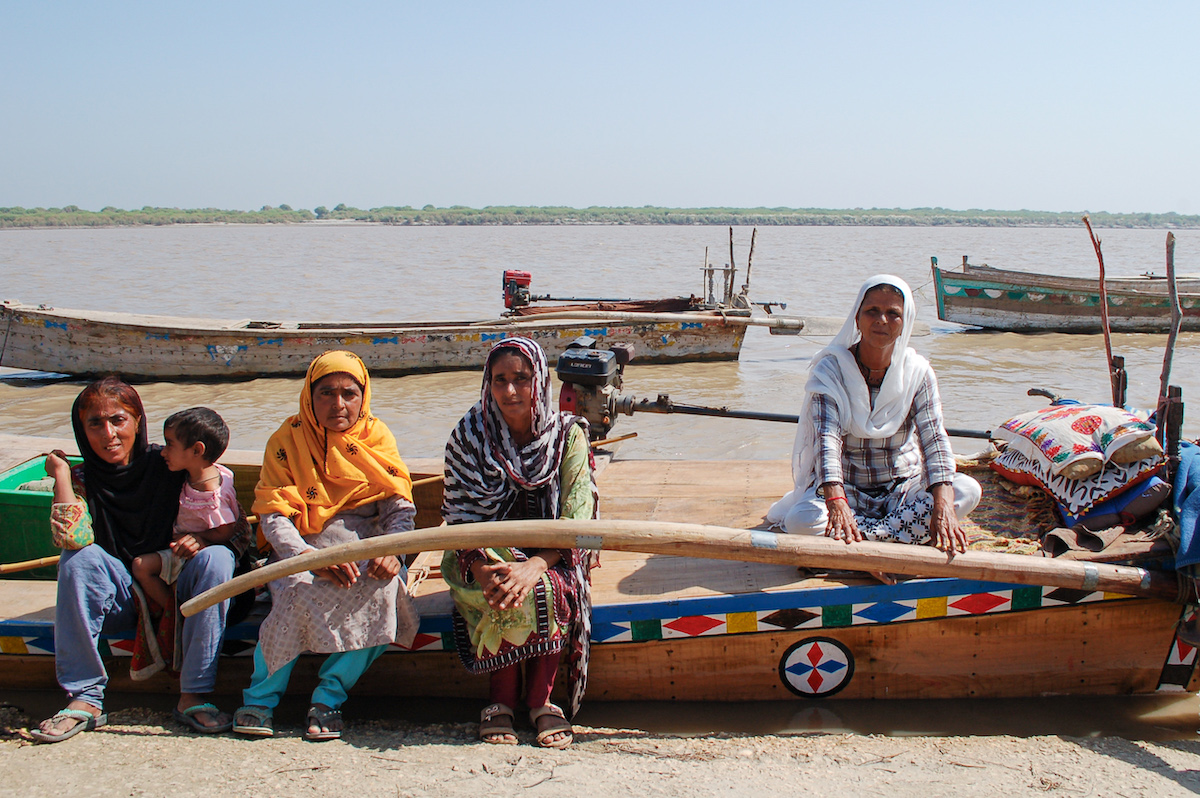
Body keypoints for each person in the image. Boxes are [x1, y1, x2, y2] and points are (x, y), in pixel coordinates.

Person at [33, 377, 243, 743]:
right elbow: (71, 536)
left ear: (137, 422)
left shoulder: (170, 463)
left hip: (178, 587)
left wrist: (203, 538)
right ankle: (86, 697)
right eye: (94, 424)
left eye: (118, 420)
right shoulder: (81, 478)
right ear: (81, 430)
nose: (109, 433)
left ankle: (193, 694)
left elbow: (233, 528)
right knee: (77, 560)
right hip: (122, 594)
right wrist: (62, 474)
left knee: (219, 560)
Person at [233, 350, 419, 741]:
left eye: (349, 393)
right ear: (309, 395)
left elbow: (399, 505)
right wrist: (307, 557)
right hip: (304, 545)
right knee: (295, 592)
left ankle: (328, 696)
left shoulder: (376, 436)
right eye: (327, 393)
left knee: (388, 591)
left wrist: (393, 550)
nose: (339, 404)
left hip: (366, 546)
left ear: (363, 396)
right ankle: (260, 699)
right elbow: (273, 515)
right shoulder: (287, 440)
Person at [442, 336, 597, 749]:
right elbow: (459, 520)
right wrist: (481, 566)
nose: (510, 391)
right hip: (477, 551)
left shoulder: (568, 436)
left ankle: (538, 700)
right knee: (499, 583)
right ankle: (501, 701)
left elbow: (578, 517)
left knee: (543, 588)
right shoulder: (468, 436)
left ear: (541, 381)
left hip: (553, 554)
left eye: (522, 379)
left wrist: (535, 565)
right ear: (487, 384)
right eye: (499, 380)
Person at [767, 276, 981, 551]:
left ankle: (861, 544)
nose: (882, 320)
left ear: (905, 323)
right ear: (857, 318)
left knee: (967, 491)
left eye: (893, 314)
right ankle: (897, 539)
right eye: (872, 311)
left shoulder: (918, 372)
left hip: (903, 487)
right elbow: (826, 440)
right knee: (801, 521)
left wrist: (942, 506)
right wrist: (836, 502)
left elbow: (934, 439)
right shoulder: (830, 370)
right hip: (847, 489)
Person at [131, 408, 243, 614]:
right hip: (181, 548)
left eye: (170, 444)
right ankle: (174, 611)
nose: (163, 452)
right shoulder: (195, 476)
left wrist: (196, 538)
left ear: (197, 450)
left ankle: (175, 615)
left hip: (191, 554)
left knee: (141, 566)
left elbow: (226, 531)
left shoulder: (211, 494)